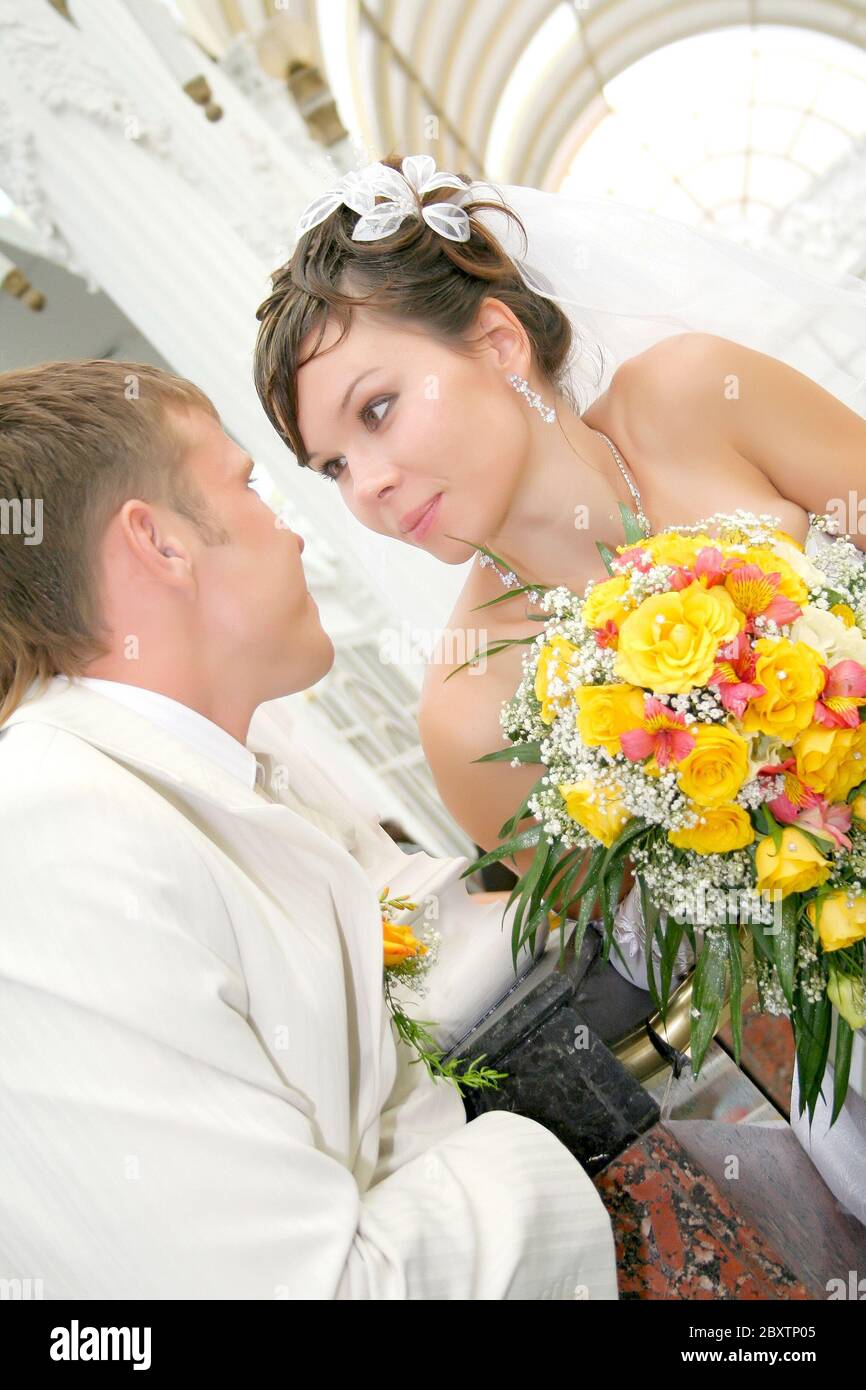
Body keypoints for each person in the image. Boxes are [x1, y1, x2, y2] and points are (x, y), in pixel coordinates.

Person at [252, 151, 866, 1223]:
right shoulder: (467, 708)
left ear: (496, 342)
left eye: (379, 410)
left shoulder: (693, 395)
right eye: (333, 467)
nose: (369, 486)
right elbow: (688, 967)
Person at [0, 358, 618, 1300]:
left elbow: (410, 952)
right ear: (159, 544)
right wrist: (538, 1148)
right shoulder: (44, 838)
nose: (292, 532)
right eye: (247, 485)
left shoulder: (226, 759)